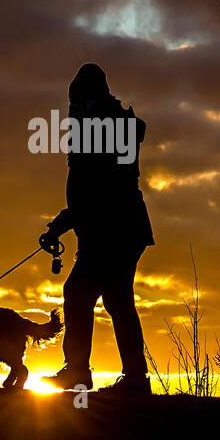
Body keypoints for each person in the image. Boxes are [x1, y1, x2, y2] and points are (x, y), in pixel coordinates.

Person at [40, 63, 155, 395]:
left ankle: (81, 372)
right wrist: (67, 221)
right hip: (116, 228)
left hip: (110, 230)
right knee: (116, 301)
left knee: (80, 294)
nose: (72, 110)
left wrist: (65, 222)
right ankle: (132, 378)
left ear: (88, 99)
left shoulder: (100, 128)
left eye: (76, 103)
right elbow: (94, 191)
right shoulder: (107, 125)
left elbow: (97, 190)